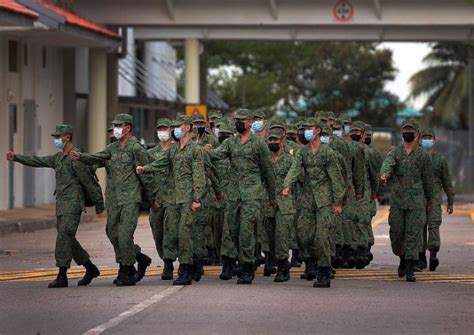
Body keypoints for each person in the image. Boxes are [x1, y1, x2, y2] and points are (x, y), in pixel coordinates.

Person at [6, 125, 104, 288]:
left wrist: (99, 203)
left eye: (58, 136)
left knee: (64, 236)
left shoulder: (76, 157)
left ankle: (62, 275)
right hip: (61, 204)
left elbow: (89, 181)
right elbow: (38, 160)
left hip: (73, 204)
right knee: (67, 238)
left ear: (67, 137)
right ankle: (90, 268)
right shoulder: (58, 158)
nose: (56, 140)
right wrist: (16, 157)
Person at [70, 114, 154, 286]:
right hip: (114, 199)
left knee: (124, 235)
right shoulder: (112, 148)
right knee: (112, 232)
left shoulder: (136, 148)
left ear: (128, 127)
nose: (115, 129)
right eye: (114, 126)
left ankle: (127, 270)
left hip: (131, 198)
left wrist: (152, 199)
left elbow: (147, 173)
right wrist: (81, 157)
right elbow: (97, 158)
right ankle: (139, 257)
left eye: (118, 125)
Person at [206, 108, 277, 285]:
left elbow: (268, 170)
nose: (238, 123)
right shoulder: (231, 142)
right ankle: (246, 258)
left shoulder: (259, 144)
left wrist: (272, 195)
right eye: (237, 120)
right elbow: (217, 155)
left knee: (246, 230)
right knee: (234, 230)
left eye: (242, 120)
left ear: (250, 122)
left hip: (252, 194)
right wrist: (206, 151)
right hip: (234, 194)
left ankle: (247, 267)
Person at [137, 115, 207, 286]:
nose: (175, 129)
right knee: (174, 232)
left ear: (188, 127)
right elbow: (160, 163)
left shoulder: (195, 150)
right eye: (174, 126)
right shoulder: (173, 149)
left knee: (184, 233)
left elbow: (199, 175)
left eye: (178, 126)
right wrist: (145, 168)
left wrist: (197, 198)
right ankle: (194, 262)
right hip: (175, 198)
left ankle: (186, 269)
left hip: (189, 198)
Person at [282, 117, 346, 288]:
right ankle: (310, 260)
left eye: (309, 128)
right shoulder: (303, 152)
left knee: (322, 237)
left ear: (317, 130)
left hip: (325, 201)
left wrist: (338, 203)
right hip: (307, 200)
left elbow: (337, 179)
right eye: (304, 128)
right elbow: (295, 169)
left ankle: (324, 271)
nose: (306, 131)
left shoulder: (328, 153)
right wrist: (287, 185)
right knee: (303, 234)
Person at [380, 118, 434, 282]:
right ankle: (402, 257)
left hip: (416, 202)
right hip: (398, 201)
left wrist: (430, 200)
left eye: (410, 130)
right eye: (405, 130)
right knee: (396, 234)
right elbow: (388, 165)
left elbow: (428, 180)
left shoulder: (423, 156)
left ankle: (410, 267)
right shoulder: (395, 152)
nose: (407, 133)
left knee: (413, 234)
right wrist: (384, 175)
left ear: (417, 134)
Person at [262, 129, 296, 282]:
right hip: (268, 202)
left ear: (282, 141)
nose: (272, 143)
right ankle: (274, 261)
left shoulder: (290, 160)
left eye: (275, 140)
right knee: (270, 237)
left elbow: (298, 178)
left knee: (281, 235)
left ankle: (283, 268)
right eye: (270, 140)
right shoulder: (265, 159)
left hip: (285, 204)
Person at [420, 129, 454, 271]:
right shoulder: (417, 157)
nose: (427, 140)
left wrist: (450, 200)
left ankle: (433, 255)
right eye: (424, 137)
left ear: (434, 140)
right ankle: (420, 257)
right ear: (420, 140)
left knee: (433, 226)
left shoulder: (440, 159)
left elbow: (446, 180)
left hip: (434, 199)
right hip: (418, 198)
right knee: (419, 227)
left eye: (429, 137)